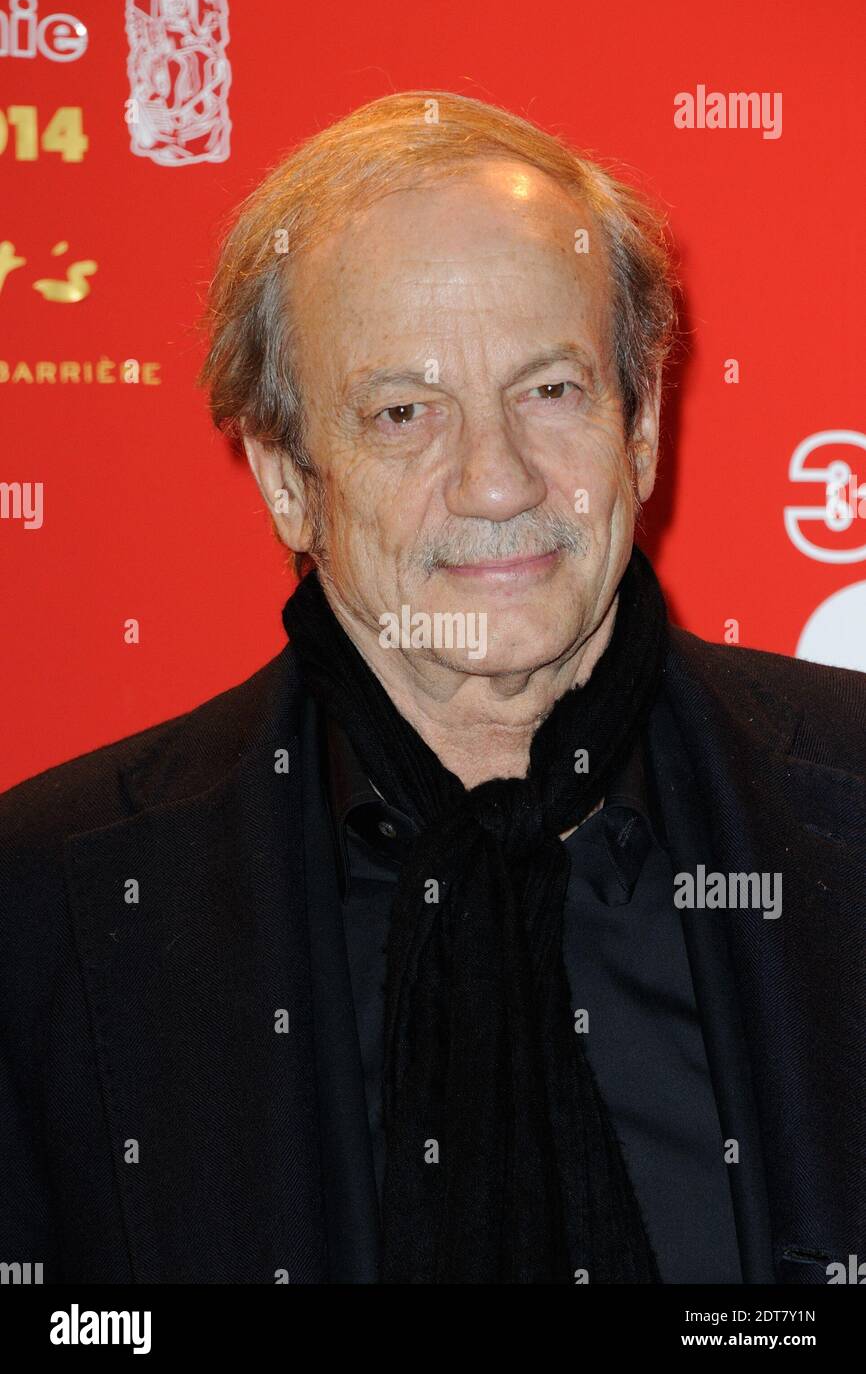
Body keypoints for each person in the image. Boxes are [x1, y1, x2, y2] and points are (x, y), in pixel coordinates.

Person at [1, 91, 863, 1285]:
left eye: (549, 389)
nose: (497, 480)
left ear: (643, 425)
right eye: (403, 413)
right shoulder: (41, 911)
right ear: (286, 478)